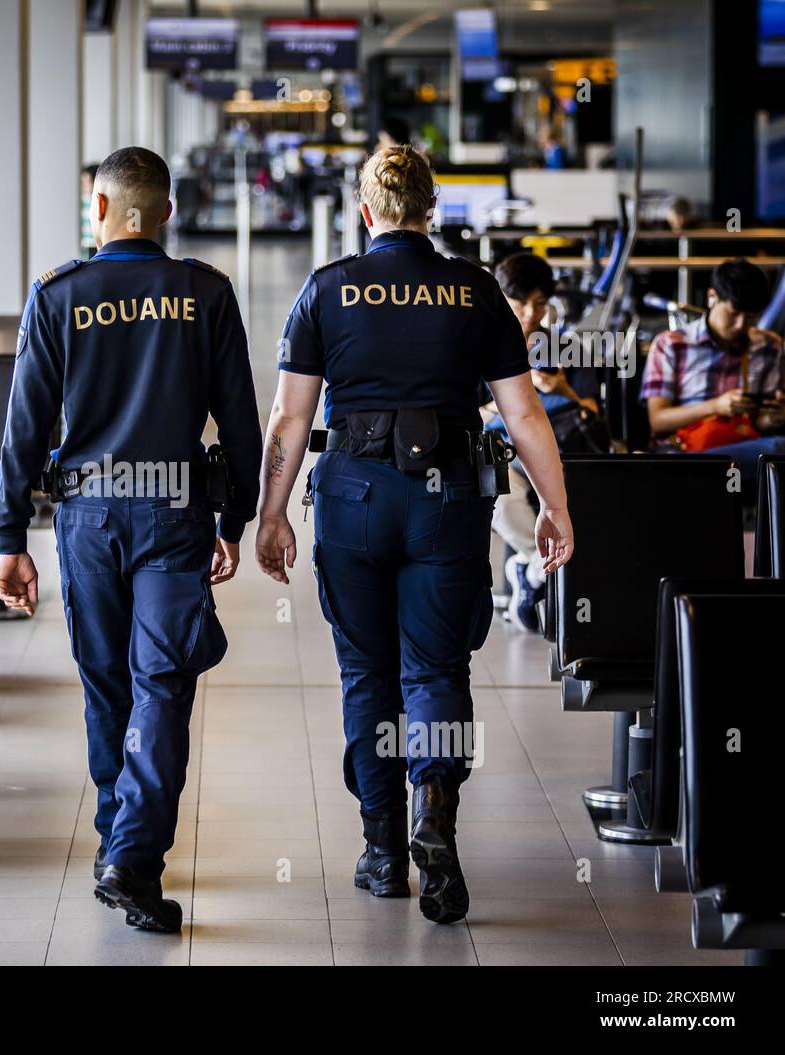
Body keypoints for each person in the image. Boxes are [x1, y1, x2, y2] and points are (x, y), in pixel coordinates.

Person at [255, 144, 574, 925]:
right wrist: (556, 504)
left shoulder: (327, 290)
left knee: (368, 676)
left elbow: (291, 418)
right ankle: (436, 807)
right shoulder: (473, 290)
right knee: (436, 667)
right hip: (447, 497)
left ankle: (383, 850)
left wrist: (269, 512)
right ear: (433, 210)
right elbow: (525, 412)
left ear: (366, 212)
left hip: (355, 495)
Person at [0, 146, 262, 933]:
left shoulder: (58, 296)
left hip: (87, 520)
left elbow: (24, 426)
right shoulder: (205, 293)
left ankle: (121, 841)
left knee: (109, 684)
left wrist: (8, 536)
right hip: (173, 517)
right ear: (167, 213)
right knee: (162, 684)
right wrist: (234, 519)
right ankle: (131, 857)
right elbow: (240, 423)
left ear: (99, 210)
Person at [485, 252, 601, 631]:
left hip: (557, 449)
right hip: (502, 450)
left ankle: (532, 572)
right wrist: (518, 399)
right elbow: (467, 412)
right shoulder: (478, 349)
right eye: (521, 303)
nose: (531, 314)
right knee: (502, 497)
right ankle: (539, 567)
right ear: (502, 299)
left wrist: (561, 388)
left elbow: (592, 412)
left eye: (539, 303)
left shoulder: (562, 349)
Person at [641, 258, 785, 503]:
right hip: (685, 450)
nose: (741, 325)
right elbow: (658, 421)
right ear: (712, 297)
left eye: (750, 318)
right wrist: (716, 406)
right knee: (773, 452)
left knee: (773, 449)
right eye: (733, 314)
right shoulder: (671, 344)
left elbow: (758, 423)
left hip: (744, 445)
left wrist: (773, 417)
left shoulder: (770, 346)